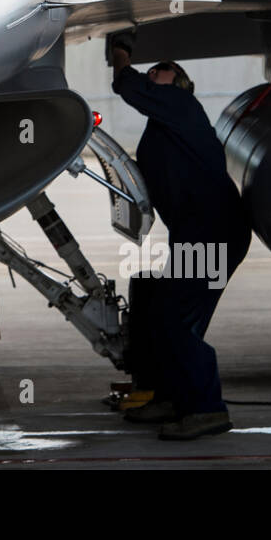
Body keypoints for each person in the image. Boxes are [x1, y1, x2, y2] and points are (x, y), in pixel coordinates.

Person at [107, 31, 251, 440]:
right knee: (162, 312)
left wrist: (120, 52)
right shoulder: (166, 121)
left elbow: (127, 85)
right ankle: (173, 397)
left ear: (182, 83)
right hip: (198, 232)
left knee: (173, 318)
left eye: (164, 68)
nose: (155, 70)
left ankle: (207, 409)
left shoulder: (180, 103)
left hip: (212, 231)